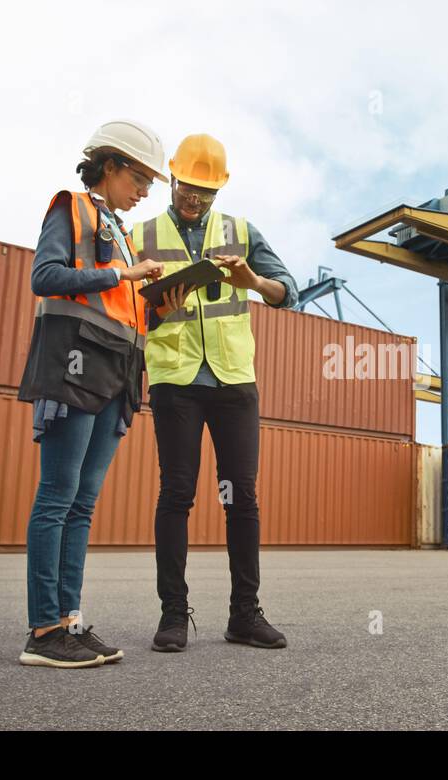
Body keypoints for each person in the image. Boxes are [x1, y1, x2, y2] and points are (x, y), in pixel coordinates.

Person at [16, 119, 190, 668]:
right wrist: (123, 273)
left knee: (82, 505)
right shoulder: (71, 206)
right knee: (56, 499)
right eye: (139, 178)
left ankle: (70, 621)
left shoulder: (120, 232)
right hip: (74, 366)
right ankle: (43, 632)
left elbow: (124, 315)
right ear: (109, 165)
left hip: (115, 378)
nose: (144, 191)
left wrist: (163, 307)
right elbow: (44, 276)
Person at [131, 133, 299, 652]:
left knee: (241, 498)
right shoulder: (141, 233)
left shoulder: (241, 232)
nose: (194, 198)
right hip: (175, 381)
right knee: (177, 495)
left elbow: (286, 292)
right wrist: (160, 307)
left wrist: (251, 280)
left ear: (218, 189)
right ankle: (174, 616)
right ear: (173, 177)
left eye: (206, 191)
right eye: (187, 186)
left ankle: (244, 615)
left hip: (233, 380)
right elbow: (126, 310)